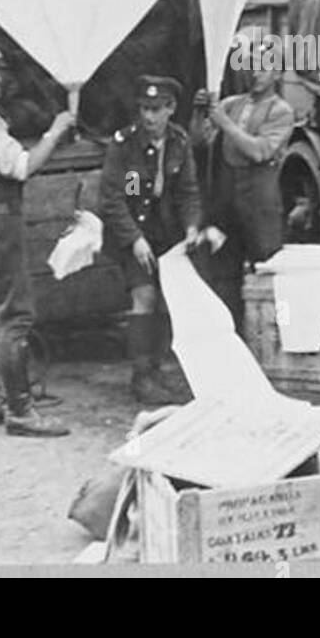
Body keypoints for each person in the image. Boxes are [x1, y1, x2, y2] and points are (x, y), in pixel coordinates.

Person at [0, 38, 77, 436]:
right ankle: (21, 412)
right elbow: (24, 166)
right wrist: (55, 132)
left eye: (1, 72)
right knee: (14, 317)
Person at [99, 75, 203, 405]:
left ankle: (157, 368)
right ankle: (141, 376)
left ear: (171, 109)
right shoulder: (124, 143)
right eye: (144, 108)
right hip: (130, 231)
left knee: (165, 299)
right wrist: (134, 239)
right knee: (143, 296)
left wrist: (191, 227)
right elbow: (112, 199)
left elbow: (188, 191)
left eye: (157, 109)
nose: (149, 117)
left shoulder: (179, 141)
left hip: (165, 231)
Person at [190, 55, 294, 331]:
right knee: (223, 273)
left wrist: (223, 122)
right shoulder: (230, 104)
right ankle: (230, 335)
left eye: (265, 68)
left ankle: (274, 339)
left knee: (267, 271)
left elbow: (260, 151)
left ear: (278, 75)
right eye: (253, 68)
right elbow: (199, 142)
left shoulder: (281, 111)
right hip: (226, 200)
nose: (256, 74)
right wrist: (199, 113)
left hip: (260, 202)